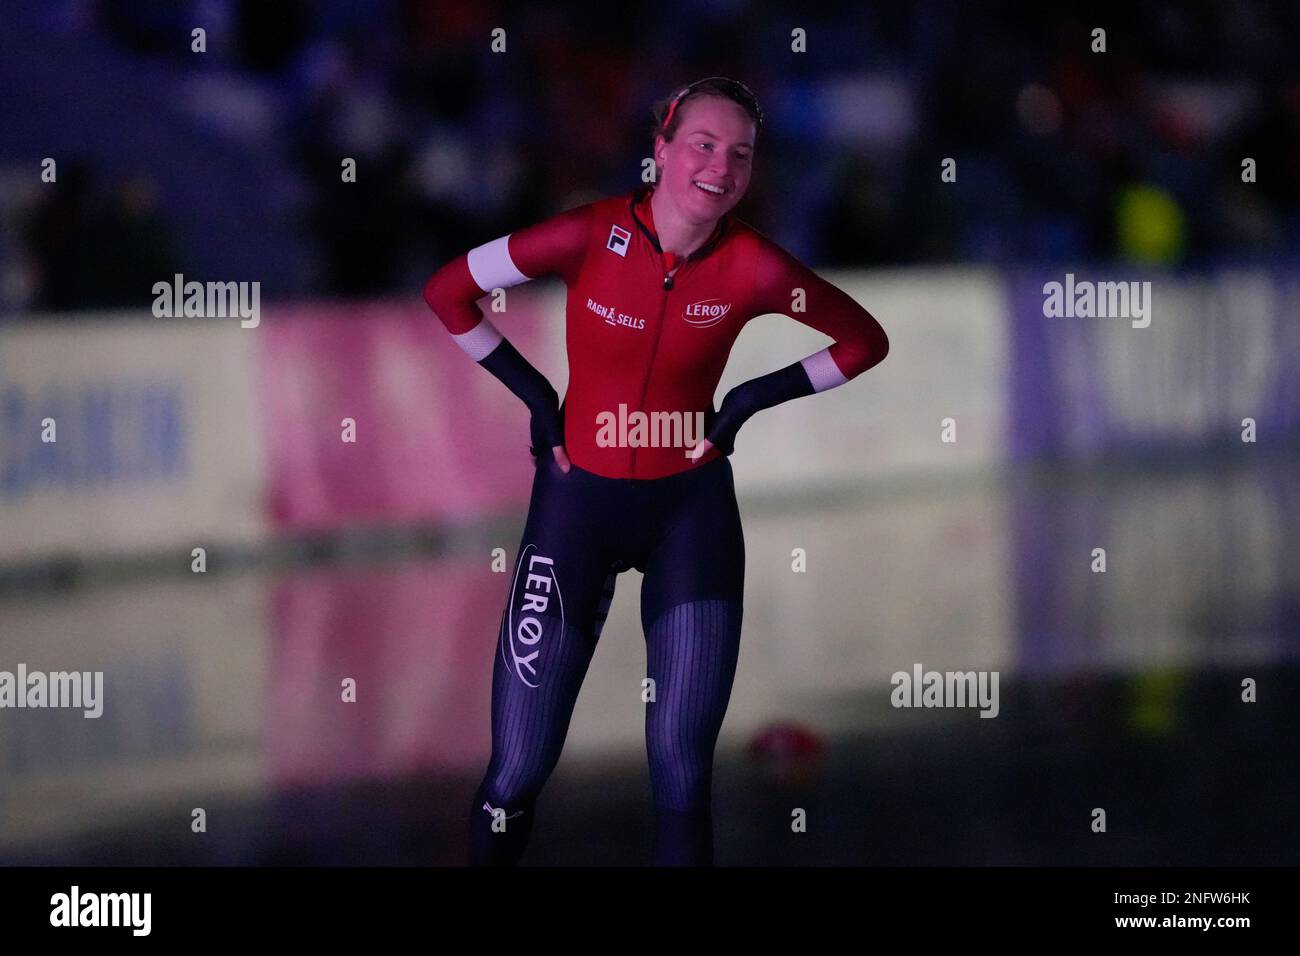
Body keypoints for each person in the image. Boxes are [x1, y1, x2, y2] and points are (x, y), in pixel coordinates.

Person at [422, 77, 889, 866]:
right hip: (575, 511)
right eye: (703, 144)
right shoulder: (584, 233)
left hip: (690, 518)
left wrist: (744, 403)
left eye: (740, 154)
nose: (721, 166)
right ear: (661, 149)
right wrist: (537, 398)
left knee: (680, 772)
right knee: (517, 767)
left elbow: (863, 342)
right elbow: (449, 292)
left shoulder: (755, 267)